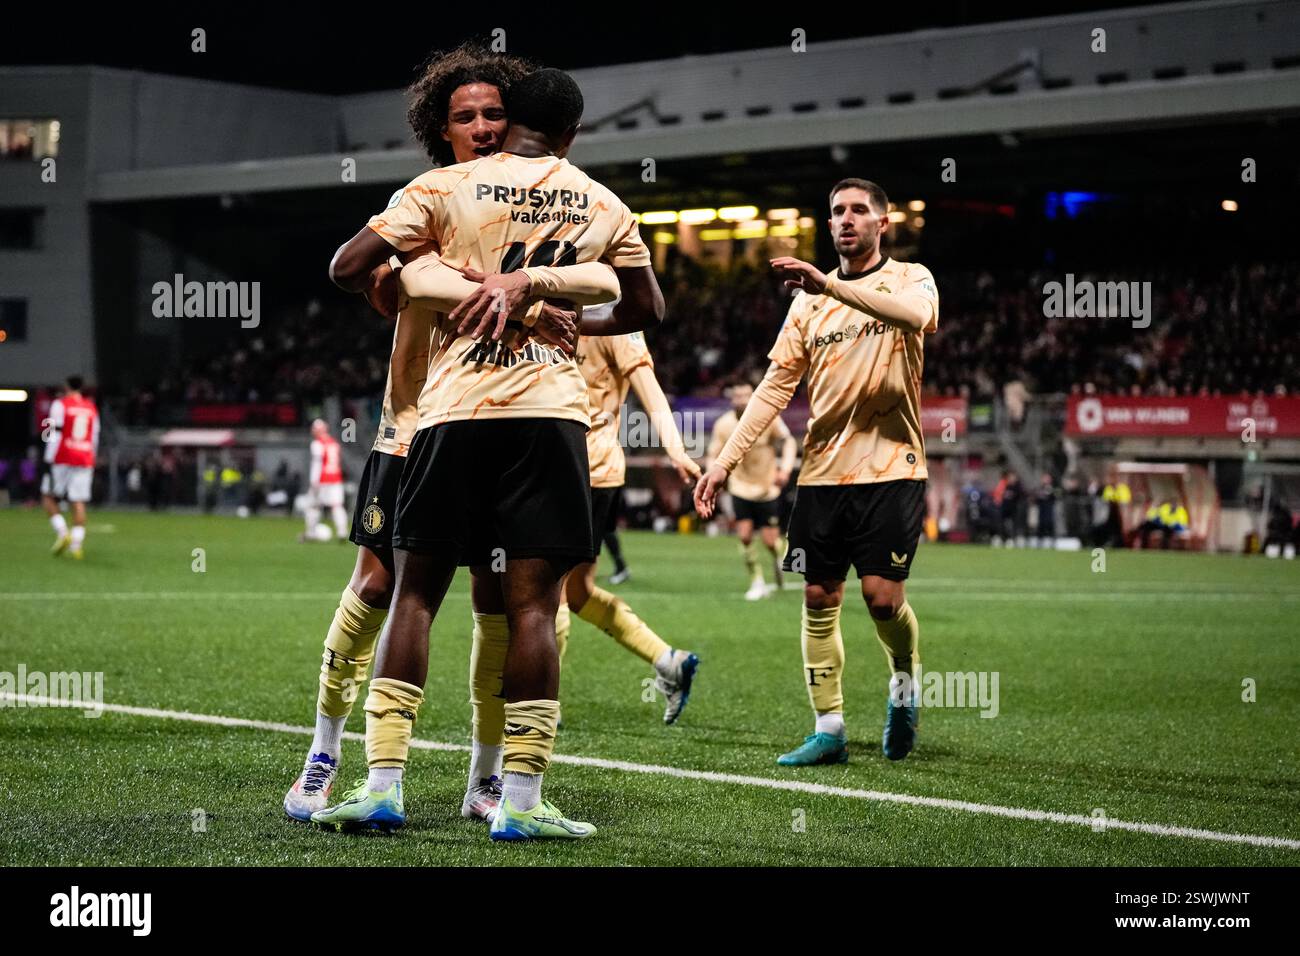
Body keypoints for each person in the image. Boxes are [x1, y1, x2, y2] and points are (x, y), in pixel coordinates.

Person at [312, 67, 665, 839]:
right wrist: (565, 310)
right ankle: (522, 804)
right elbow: (645, 305)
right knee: (531, 605)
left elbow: (344, 266)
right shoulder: (604, 202)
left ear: (509, 125)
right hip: (549, 416)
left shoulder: (445, 191)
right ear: (572, 133)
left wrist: (443, 274)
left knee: (412, 596)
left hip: (449, 416)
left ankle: (381, 786)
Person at [696, 177, 938, 765]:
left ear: (884, 223)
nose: (846, 219)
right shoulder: (805, 305)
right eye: (837, 212)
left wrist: (829, 284)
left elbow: (915, 318)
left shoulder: (912, 278)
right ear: (828, 225)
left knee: (882, 600)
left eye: (859, 210)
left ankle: (904, 687)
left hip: (891, 466)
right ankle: (828, 727)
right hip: (822, 474)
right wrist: (723, 463)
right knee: (816, 594)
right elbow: (774, 388)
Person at [563, 312, 702, 723]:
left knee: (544, 587)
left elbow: (649, 389)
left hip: (586, 468)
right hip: (558, 466)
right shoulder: (542, 297)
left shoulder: (612, 317)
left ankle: (536, 702)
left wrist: (675, 448)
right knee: (577, 593)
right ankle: (668, 660)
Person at [706, 379, 796, 600]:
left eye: (746, 395)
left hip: (767, 488)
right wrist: (712, 477)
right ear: (731, 399)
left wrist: (784, 469)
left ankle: (776, 558)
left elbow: (788, 441)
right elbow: (712, 454)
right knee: (744, 535)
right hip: (740, 487)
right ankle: (757, 581)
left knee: (769, 540)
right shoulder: (723, 425)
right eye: (737, 396)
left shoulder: (768, 417)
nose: (742, 400)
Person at [42, 376, 99, 559]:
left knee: (48, 497)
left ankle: (62, 533)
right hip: (84, 456)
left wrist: (47, 455)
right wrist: (92, 456)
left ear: (66, 387)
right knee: (78, 501)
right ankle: (76, 545)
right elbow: (94, 437)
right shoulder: (91, 408)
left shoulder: (60, 404)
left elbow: (51, 430)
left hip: (62, 455)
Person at [301, 419, 349, 541]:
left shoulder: (317, 444)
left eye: (314, 429)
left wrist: (314, 482)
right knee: (337, 506)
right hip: (336, 478)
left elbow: (317, 464)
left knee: (313, 506)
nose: (312, 431)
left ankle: (311, 533)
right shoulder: (334, 443)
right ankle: (342, 532)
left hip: (322, 479)